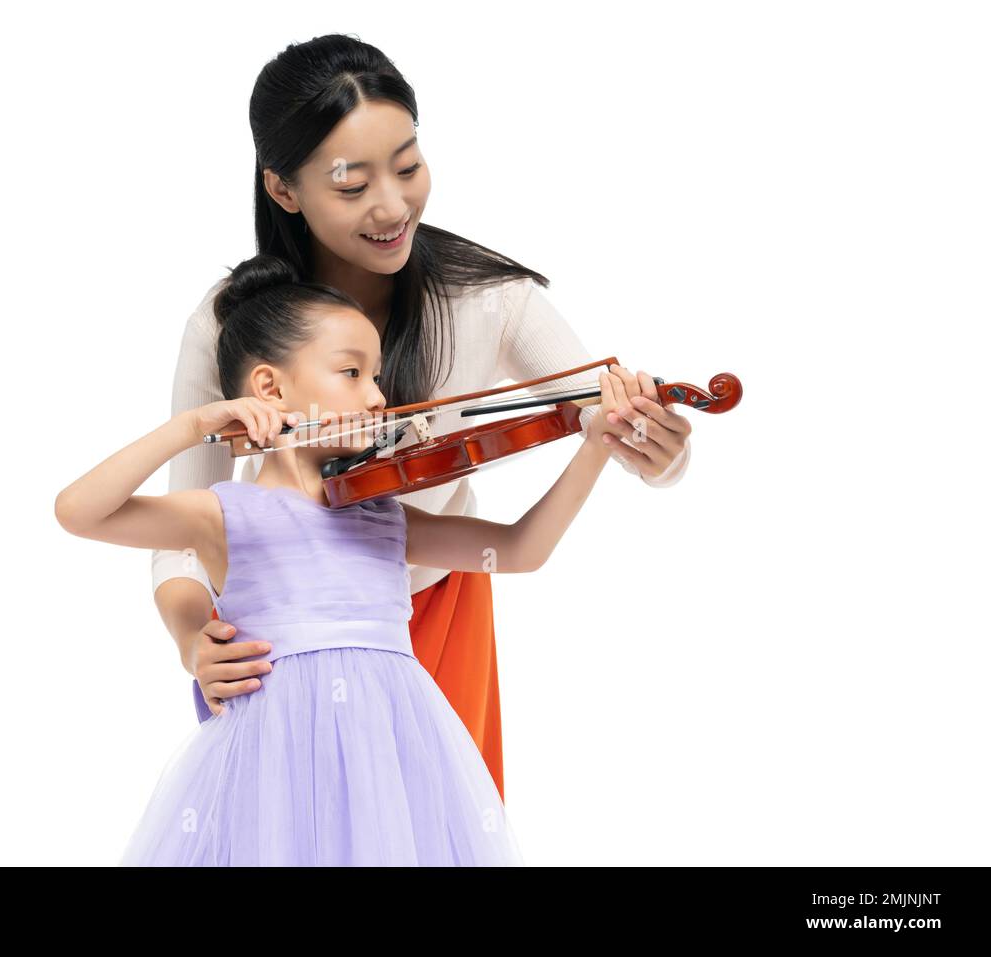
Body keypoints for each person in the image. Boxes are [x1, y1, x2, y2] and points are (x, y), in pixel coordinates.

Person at [153, 34, 695, 805]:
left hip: (436, 605)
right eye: (352, 185)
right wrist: (190, 638)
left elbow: (602, 411)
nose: (393, 205)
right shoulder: (229, 323)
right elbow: (179, 532)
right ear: (282, 189)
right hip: (283, 630)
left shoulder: (487, 298)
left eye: (408, 166)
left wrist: (654, 446)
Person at [55, 253, 626, 865]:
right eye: (352, 373)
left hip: (392, 751)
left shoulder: (382, 516)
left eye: (376, 376)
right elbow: (79, 511)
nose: (379, 396)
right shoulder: (225, 515)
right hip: (272, 759)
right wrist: (192, 427)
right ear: (271, 389)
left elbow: (519, 549)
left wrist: (597, 444)